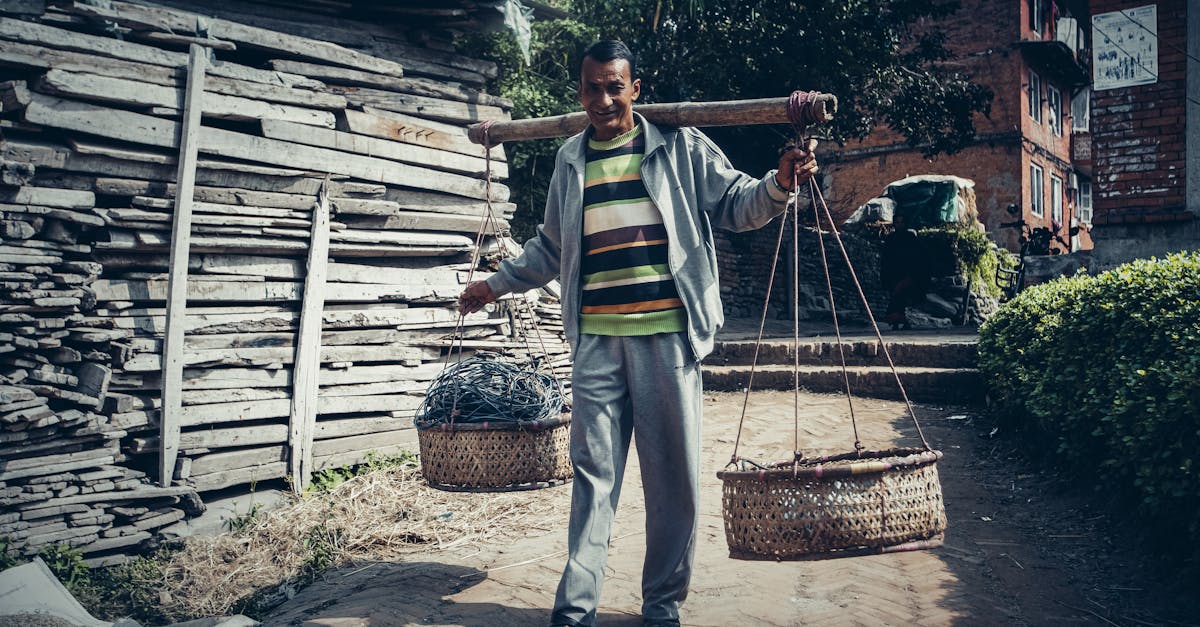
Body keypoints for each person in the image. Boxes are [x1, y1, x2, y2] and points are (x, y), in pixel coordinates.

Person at [458, 40, 818, 627]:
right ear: (580, 93)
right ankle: (575, 610)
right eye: (592, 87)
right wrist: (494, 285)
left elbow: (735, 204)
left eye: (614, 86)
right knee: (592, 479)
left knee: (672, 484)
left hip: (667, 341)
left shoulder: (677, 147)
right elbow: (551, 246)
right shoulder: (570, 162)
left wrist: (779, 184)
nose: (602, 99)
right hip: (596, 343)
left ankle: (661, 607)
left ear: (635, 89)